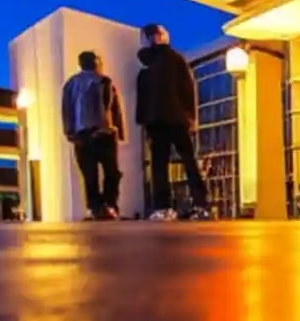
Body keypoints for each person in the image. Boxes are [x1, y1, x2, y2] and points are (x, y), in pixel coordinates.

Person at [136, 23, 208, 221]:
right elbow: (187, 89)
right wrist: (190, 117)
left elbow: (143, 97)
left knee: (160, 165)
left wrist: (143, 120)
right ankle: (201, 204)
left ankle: (164, 207)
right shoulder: (174, 59)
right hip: (175, 119)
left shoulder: (147, 66)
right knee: (187, 161)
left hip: (157, 121)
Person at [61, 51, 126, 220]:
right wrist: (119, 131)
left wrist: (69, 132)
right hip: (99, 134)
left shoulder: (74, 84)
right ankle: (104, 205)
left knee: (97, 174)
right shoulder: (100, 81)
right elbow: (114, 108)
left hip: (90, 134)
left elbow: (66, 110)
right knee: (105, 173)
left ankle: (100, 206)